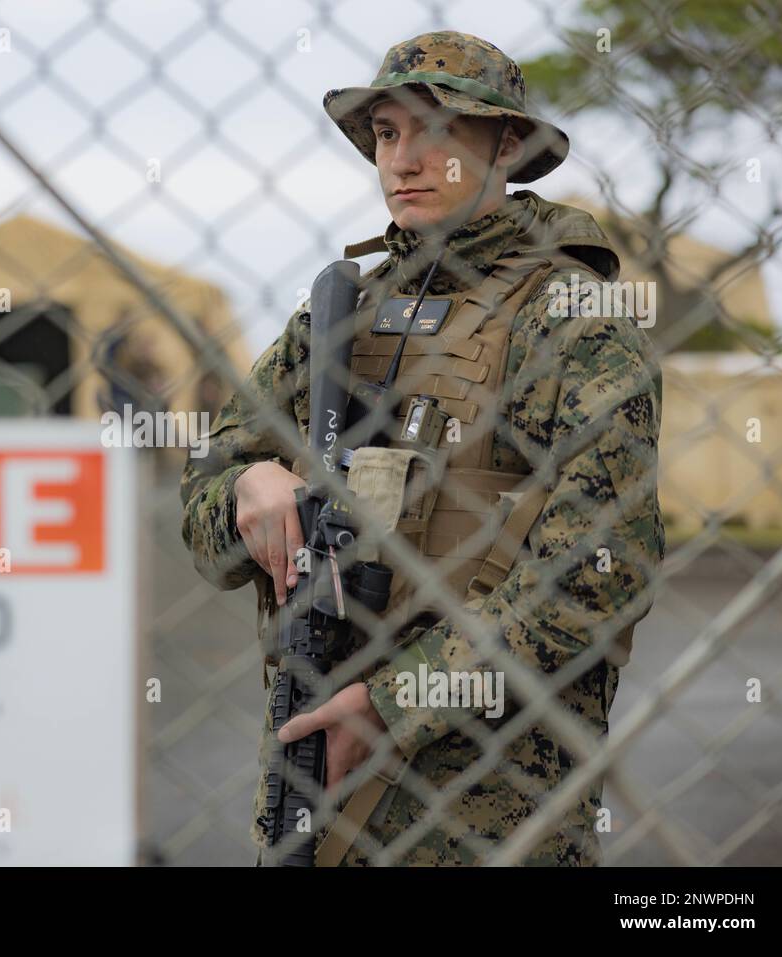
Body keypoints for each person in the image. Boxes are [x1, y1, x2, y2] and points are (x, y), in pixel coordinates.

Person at [179, 31, 665, 866]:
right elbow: (202, 498)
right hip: (315, 795)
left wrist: (395, 701)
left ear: (506, 143)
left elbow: (600, 570)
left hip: (488, 817)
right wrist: (245, 488)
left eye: (436, 131)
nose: (404, 159)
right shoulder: (338, 313)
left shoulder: (574, 317)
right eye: (387, 134)